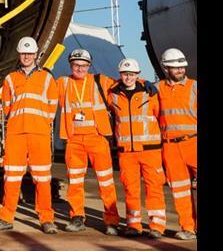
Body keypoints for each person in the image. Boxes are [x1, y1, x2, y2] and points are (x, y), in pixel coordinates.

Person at [0, 37, 59, 234]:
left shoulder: (47, 78)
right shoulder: (10, 79)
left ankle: (46, 219)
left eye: (30, 53)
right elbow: (6, 107)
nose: (27, 56)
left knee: (43, 178)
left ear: (36, 55)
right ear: (19, 55)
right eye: (23, 53)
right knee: (11, 177)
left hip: (38, 134)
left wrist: (41, 124)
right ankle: (6, 217)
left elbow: (52, 106)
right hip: (16, 134)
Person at [56, 49, 119, 235]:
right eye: (76, 65)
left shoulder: (100, 81)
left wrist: (143, 83)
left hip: (97, 139)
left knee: (106, 182)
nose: (80, 68)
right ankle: (77, 217)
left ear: (89, 66)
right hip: (74, 141)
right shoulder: (63, 83)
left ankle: (112, 220)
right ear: (70, 65)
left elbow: (125, 84)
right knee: (74, 182)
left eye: (83, 65)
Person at [108, 58, 167, 239]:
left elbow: (160, 117)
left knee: (154, 188)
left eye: (132, 74)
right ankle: (134, 225)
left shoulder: (150, 93)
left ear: (137, 75)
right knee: (131, 189)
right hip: (127, 152)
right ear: (120, 75)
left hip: (150, 151)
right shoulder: (113, 95)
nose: (128, 77)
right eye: (125, 74)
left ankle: (156, 226)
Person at [157, 48, 197, 240]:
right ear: (166, 68)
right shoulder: (156, 89)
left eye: (182, 66)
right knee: (180, 190)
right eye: (175, 67)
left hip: (194, 142)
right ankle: (188, 228)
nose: (180, 70)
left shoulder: (195, 87)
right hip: (170, 147)